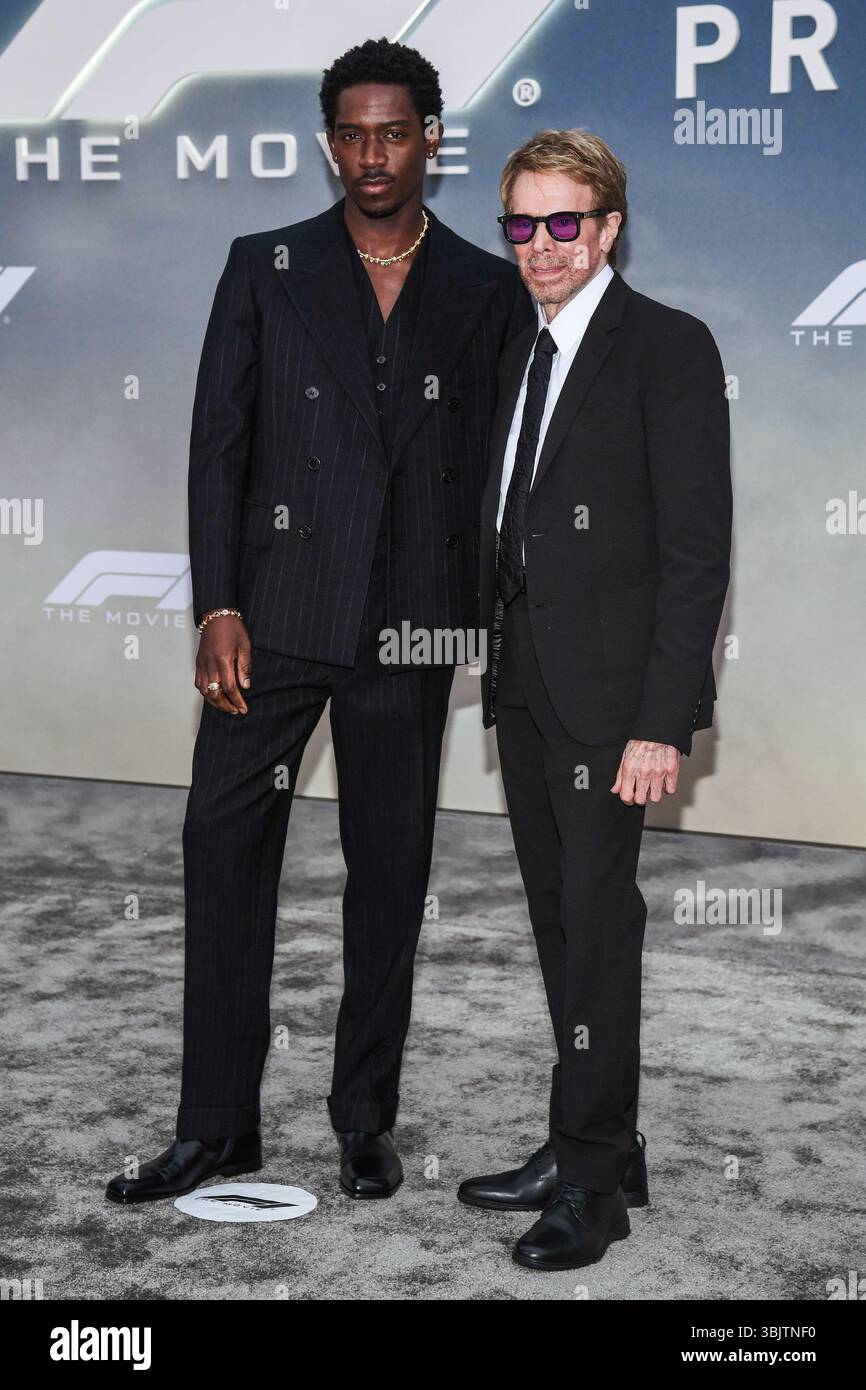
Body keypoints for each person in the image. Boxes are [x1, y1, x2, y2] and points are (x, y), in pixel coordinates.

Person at [105, 37, 533, 1206]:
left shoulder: (484, 289)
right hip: (278, 614)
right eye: (349, 134)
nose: (370, 154)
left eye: (392, 132)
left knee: (388, 874)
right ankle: (216, 1125)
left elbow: (501, 470)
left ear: (431, 139)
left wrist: (497, 628)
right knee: (220, 847)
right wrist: (219, 603)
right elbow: (219, 446)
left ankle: (362, 1118)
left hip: (413, 626)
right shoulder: (265, 263)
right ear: (327, 141)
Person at [459, 128, 732, 1270]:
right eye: (519, 224)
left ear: (607, 226)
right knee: (563, 928)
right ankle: (597, 1144)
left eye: (561, 223)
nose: (539, 247)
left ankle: (591, 1188)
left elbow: (695, 552)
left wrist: (660, 721)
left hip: (613, 702)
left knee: (598, 931)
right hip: (524, 684)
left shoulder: (664, 347)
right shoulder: (525, 351)